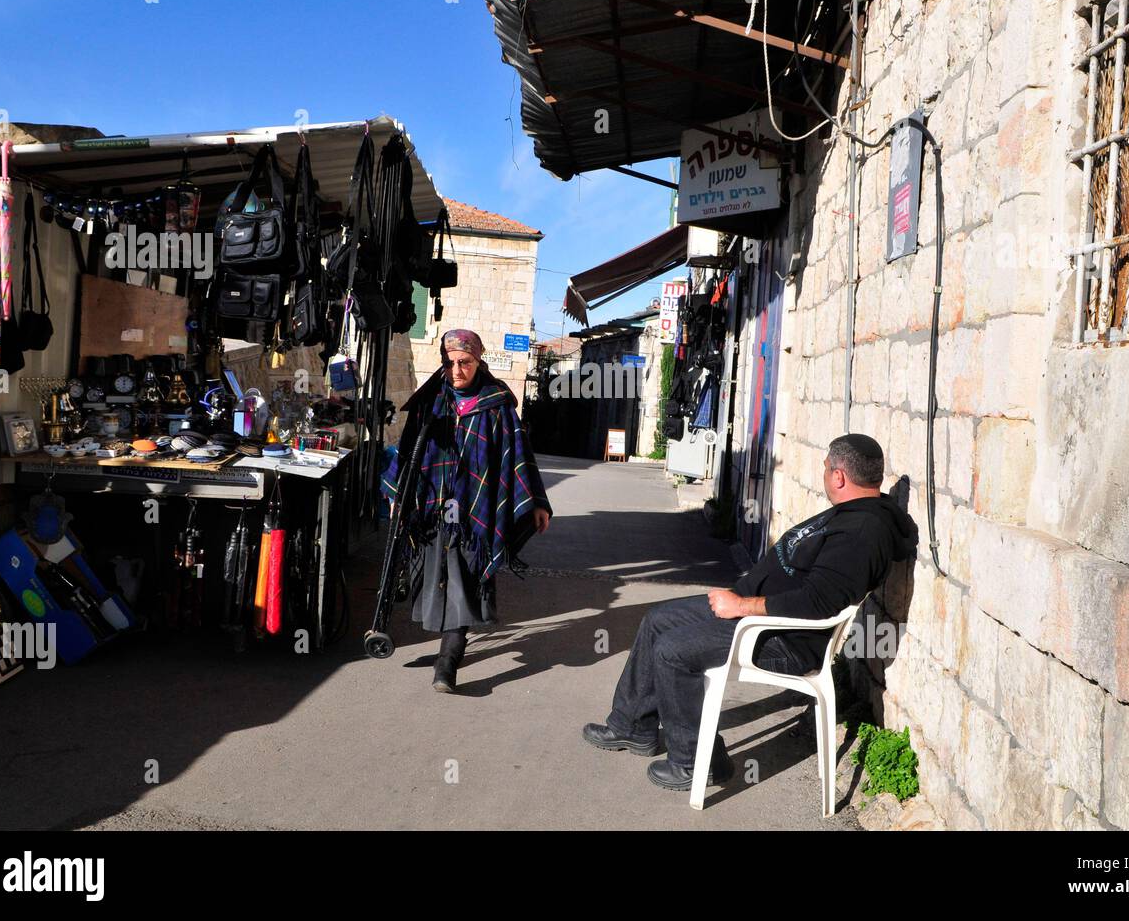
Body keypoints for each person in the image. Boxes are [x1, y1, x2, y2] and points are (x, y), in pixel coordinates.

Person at [582, 433, 918, 791]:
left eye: (825, 469)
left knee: (672, 651)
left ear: (839, 477)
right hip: (756, 616)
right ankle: (631, 725)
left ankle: (698, 762)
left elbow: (817, 603)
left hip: (783, 639)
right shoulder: (854, 515)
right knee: (657, 621)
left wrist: (741, 605)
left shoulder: (864, 531)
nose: (823, 476)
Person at [384, 329, 551, 692]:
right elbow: (409, 445)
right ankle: (446, 646)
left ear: (478, 361)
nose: (457, 369)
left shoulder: (496, 403)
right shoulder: (431, 399)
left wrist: (536, 501)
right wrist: (398, 489)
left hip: (475, 512)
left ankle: (449, 661)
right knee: (436, 573)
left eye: (465, 362)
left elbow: (519, 455)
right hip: (433, 505)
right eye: (450, 362)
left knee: (463, 577)